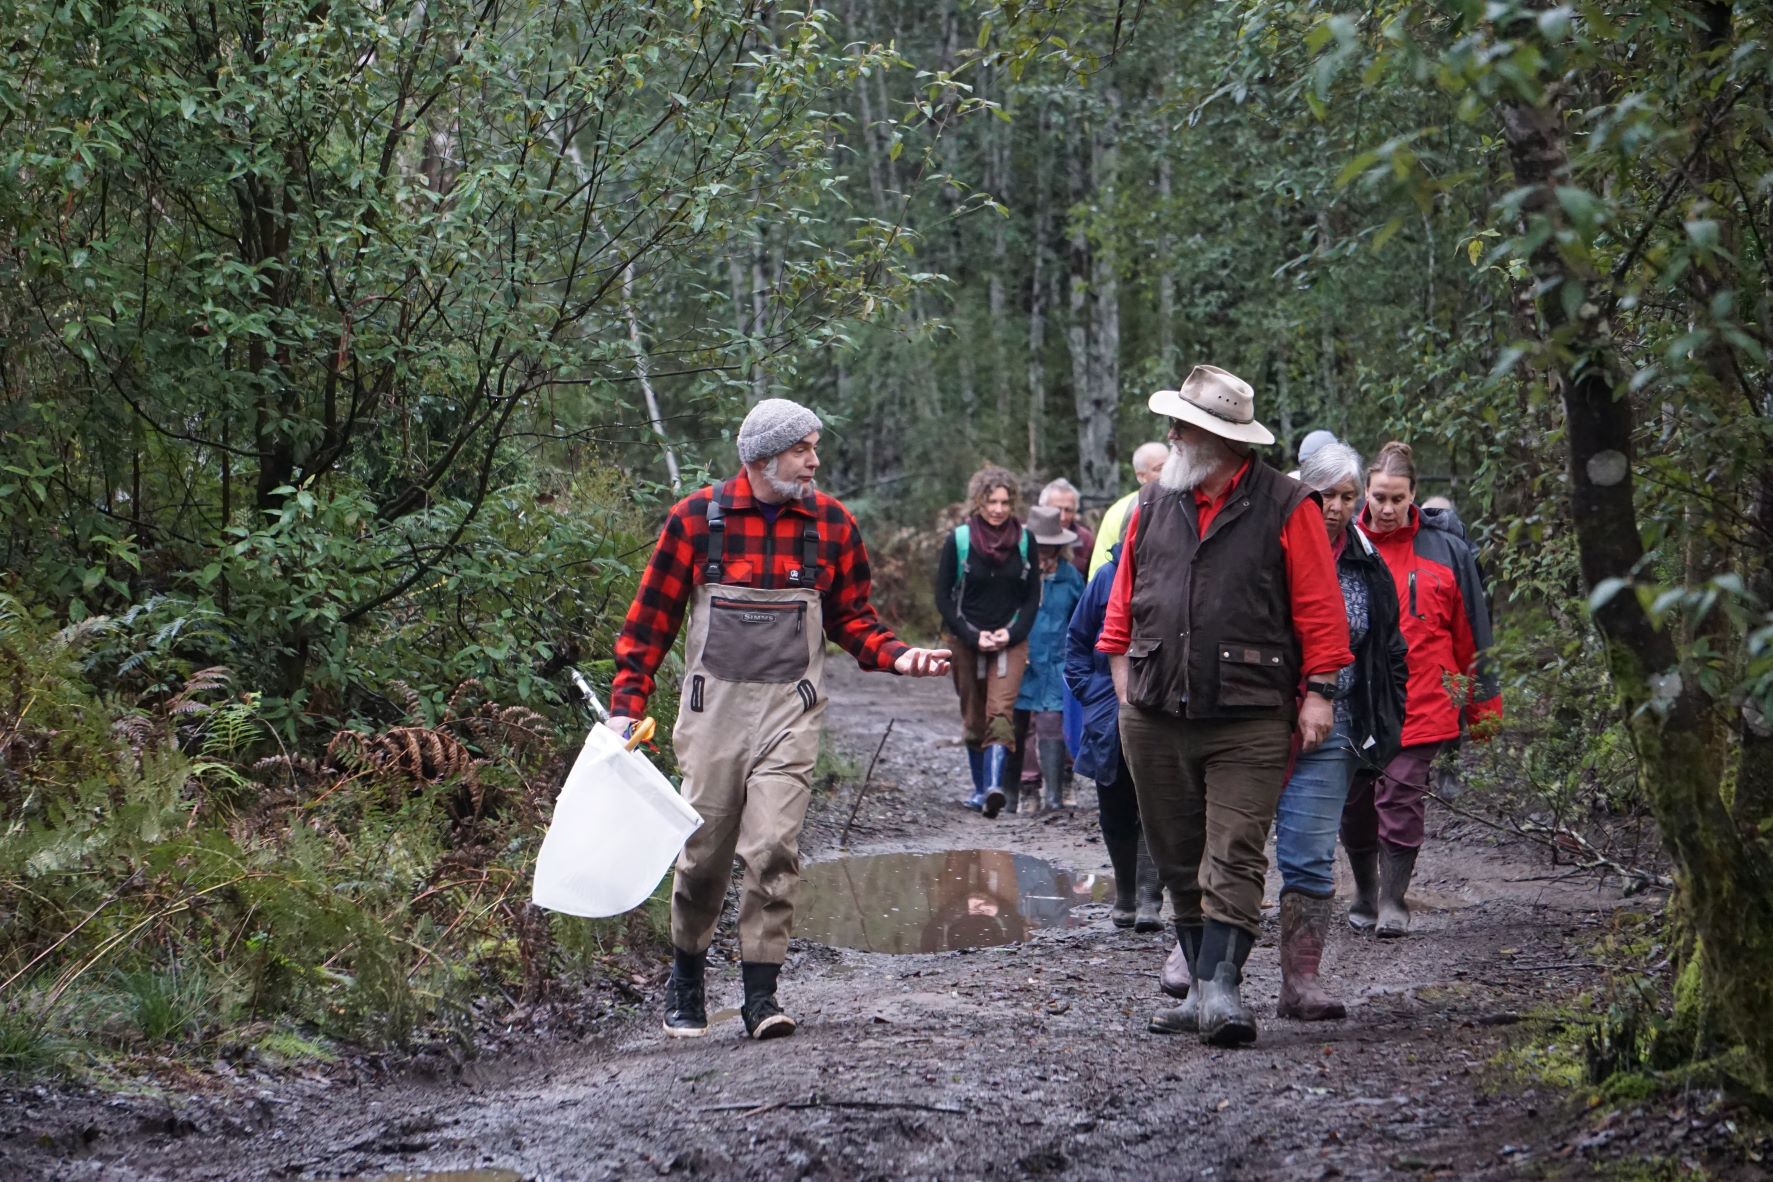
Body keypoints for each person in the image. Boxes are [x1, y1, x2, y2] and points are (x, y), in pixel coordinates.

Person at [610, 398, 951, 1041]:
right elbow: (648, 624)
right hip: (712, 713)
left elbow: (853, 619)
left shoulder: (830, 524)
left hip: (790, 713)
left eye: (813, 448)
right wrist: (627, 708)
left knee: (773, 848)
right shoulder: (696, 521)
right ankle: (686, 976)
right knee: (703, 852)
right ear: (764, 457)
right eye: (803, 449)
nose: (815, 461)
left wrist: (900, 656)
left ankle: (760, 997)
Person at [1098, 364, 1351, 1048]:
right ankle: (1200, 993)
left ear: (1219, 441)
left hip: (1250, 716)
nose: (1172, 435)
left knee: (1233, 851)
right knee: (1176, 854)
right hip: (1151, 711)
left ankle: (1220, 988)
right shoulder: (1154, 502)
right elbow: (1124, 596)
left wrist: (1319, 693)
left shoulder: (1286, 504)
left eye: (1182, 427)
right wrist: (1123, 678)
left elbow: (1320, 611)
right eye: (1176, 425)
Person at [1271, 441, 1408, 1020]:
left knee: (1309, 854)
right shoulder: (1266, 543)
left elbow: (1387, 647)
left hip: (1334, 725)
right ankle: (1204, 965)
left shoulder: (1366, 558)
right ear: (1304, 489)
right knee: (1230, 844)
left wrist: (1384, 721)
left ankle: (1301, 982)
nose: (1337, 506)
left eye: (1349, 497)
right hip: (1260, 719)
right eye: (1327, 494)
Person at [1344, 441, 1500, 937]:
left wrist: (1482, 710)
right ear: (1364, 493)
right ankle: (1365, 892)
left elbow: (1472, 632)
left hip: (1424, 702)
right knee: (1357, 804)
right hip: (1358, 702)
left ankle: (1393, 900)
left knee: (1401, 799)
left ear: (1415, 495)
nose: (1387, 509)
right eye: (1378, 497)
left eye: (1398, 498)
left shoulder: (1448, 551)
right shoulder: (1343, 546)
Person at [1064, 542, 1166, 932]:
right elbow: (1076, 641)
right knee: (1115, 802)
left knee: (1159, 805)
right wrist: (1092, 694)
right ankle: (1125, 891)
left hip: (1163, 706)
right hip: (1109, 712)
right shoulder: (1106, 577)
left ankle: (1149, 897)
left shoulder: (1176, 571)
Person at [936, 466, 1042, 819]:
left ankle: (995, 789)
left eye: (1004, 502)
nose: (998, 509)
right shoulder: (960, 540)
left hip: (1010, 638)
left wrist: (1010, 634)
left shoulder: (1026, 541)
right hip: (965, 637)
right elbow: (943, 596)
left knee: (1001, 709)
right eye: (991, 501)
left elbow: (1031, 598)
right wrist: (970, 634)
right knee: (973, 714)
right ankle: (980, 788)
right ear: (978, 501)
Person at [1005, 505, 1085, 813]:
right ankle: (1022, 791)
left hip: (1057, 662)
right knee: (1019, 727)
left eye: (1052, 549)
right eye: (1041, 548)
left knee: (1053, 723)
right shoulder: (1016, 575)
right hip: (1022, 659)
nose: (1046, 555)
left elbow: (1082, 617)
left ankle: (1053, 796)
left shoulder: (1070, 577)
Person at [1088, 441, 1171, 576]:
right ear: (1141, 476)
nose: (1168, 472)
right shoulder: (1120, 510)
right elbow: (1100, 566)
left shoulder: (1184, 503)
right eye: (1159, 468)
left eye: (1171, 465)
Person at [1039, 478, 1096, 577]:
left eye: (1068, 510)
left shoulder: (1085, 539)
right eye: (1056, 510)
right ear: (1043, 508)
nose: (1063, 517)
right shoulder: (1030, 537)